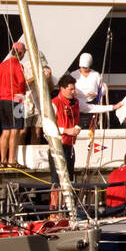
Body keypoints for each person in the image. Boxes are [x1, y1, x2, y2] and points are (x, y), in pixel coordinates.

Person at [48, 73, 81, 219]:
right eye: (71, 89)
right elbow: (49, 126)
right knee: (57, 181)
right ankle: (54, 212)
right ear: (62, 88)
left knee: (70, 178)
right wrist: (67, 130)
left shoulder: (75, 103)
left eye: (74, 89)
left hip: (70, 146)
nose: (73, 92)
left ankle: (67, 211)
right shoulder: (55, 103)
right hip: (58, 146)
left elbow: (91, 108)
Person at [0, 41, 27, 167]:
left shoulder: (3, 65)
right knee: (15, 130)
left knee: (5, 131)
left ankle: (3, 160)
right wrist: (23, 91)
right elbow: (21, 82)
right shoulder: (18, 66)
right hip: (16, 100)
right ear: (20, 53)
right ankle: (12, 160)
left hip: (3, 100)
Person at [73, 53, 122, 128]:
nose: (84, 69)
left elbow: (103, 89)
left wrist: (95, 94)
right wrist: (74, 92)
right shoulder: (73, 75)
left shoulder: (95, 75)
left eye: (86, 67)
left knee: (92, 126)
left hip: (92, 102)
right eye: (82, 67)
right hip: (77, 102)